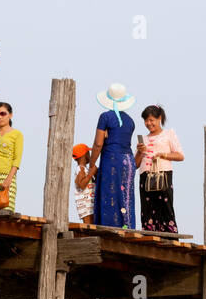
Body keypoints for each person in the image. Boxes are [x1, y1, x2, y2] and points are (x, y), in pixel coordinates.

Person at [90, 83, 137, 229]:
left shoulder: (105, 117)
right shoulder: (130, 121)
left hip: (112, 159)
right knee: (125, 195)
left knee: (109, 194)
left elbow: (98, 144)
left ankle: (109, 228)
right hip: (128, 160)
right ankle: (127, 226)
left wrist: (91, 164)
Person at [135, 104, 184, 232]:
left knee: (165, 206)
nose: (148, 123)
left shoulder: (168, 134)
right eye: (146, 120)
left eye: (151, 120)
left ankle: (169, 236)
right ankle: (149, 236)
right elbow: (135, 164)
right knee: (147, 208)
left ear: (159, 118)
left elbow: (180, 155)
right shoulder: (143, 139)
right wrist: (140, 152)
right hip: (145, 177)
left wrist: (163, 155)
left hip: (163, 175)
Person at [72, 144, 95, 222]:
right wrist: (90, 174)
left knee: (92, 224)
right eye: (88, 153)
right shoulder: (80, 169)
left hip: (90, 205)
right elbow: (81, 185)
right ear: (84, 155)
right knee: (88, 226)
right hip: (85, 206)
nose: (90, 155)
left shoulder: (85, 169)